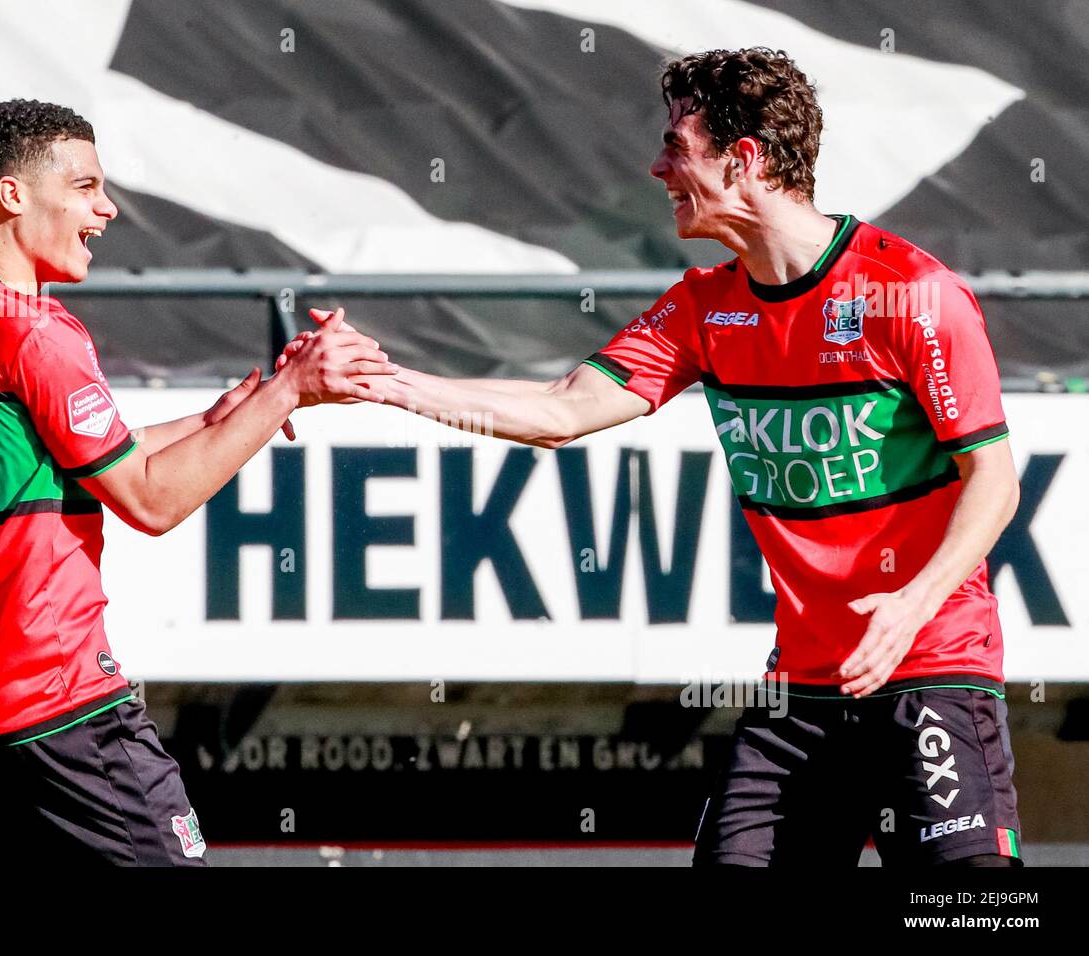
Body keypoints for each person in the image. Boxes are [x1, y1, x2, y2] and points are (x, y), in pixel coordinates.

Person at [287, 48, 1023, 866]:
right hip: (800, 696)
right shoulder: (705, 307)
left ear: (743, 160)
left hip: (933, 673)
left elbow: (991, 479)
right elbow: (560, 412)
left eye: (677, 144)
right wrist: (381, 381)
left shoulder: (910, 293)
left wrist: (913, 603)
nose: (656, 164)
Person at [0, 99, 395, 866]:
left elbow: (74, 463)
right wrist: (290, 393)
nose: (107, 207)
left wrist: (233, 412)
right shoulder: (32, 330)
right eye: (86, 186)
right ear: (14, 196)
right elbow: (150, 500)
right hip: (57, 702)